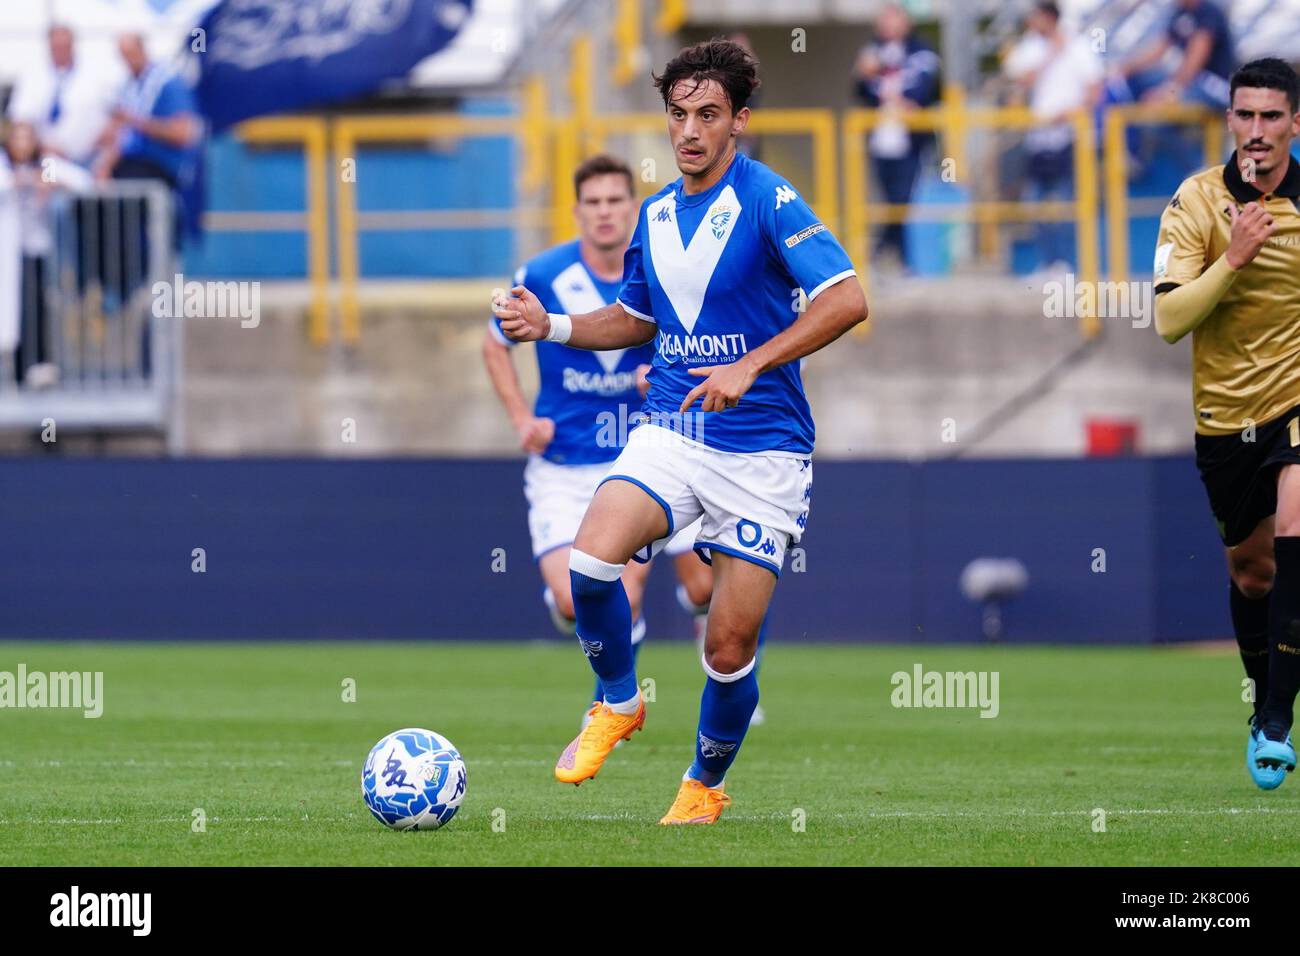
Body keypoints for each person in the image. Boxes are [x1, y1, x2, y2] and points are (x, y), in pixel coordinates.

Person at [492, 39, 867, 824]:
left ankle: (702, 786)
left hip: (765, 451)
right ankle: (619, 701)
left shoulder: (770, 199)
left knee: (726, 648)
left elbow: (846, 298)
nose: (690, 130)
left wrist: (752, 365)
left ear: (739, 122)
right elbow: (634, 317)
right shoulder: (657, 213)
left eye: (708, 114)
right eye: (677, 114)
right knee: (591, 563)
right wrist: (550, 323)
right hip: (673, 428)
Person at [484, 154, 705, 720]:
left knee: (648, 594)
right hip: (563, 463)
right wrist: (520, 419)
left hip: (644, 456)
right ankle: (596, 647)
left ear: (633, 207)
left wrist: (659, 373)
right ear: (577, 211)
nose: (606, 213)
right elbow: (495, 344)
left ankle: (609, 706)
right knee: (572, 602)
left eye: (616, 201)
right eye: (594, 202)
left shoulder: (662, 268)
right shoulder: (540, 274)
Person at [1153, 58, 1300, 790]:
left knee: (1299, 525)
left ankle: (1278, 717)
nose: (1256, 131)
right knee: (1254, 574)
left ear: (1295, 124)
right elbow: (1169, 319)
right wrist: (1234, 260)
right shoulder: (1196, 201)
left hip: (1297, 405)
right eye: (1244, 115)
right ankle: (1261, 704)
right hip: (1226, 420)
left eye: (1272, 116)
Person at [1003, 2, 1102, 273]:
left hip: (1070, 137)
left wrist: (1068, 114)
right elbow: (1019, 82)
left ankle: (1068, 266)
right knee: (1034, 203)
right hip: (1039, 139)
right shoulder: (1031, 46)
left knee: (1066, 204)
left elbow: (1094, 91)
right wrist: (1050, 54)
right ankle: (1049, 264)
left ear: (1047, 17)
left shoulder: (1079, 46)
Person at [852, 2, 940, 272]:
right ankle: (893, 258)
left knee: (903, 199)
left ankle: (886, 254)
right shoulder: (871, 50)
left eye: (894, 18)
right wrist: (866, 75)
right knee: (889, 199)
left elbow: (927, 89)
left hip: (911, 140)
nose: (888, 24)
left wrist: (903, 98)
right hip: (881, 139)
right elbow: (860, 89)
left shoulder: (922, 50)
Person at [6, 24, 114, 167]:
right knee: (49, 184)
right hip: (47, 157)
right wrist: (40, 146)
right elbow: (20, 119)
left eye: (65, 45)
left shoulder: (96, 75)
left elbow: (116, 114)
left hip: (90, 158)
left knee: (83, 187)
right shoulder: (32, 76)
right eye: (57, 46)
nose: (61, 50)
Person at [1114, 0, 1235, 110]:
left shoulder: (1208, 12)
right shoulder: (1181, 13)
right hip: (1193, 83)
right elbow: (1158, 50)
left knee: (1162, 106)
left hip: (1213, 87)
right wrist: (1123, 70)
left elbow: (1195, 61)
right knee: (1136, 82)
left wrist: (1169, 89)